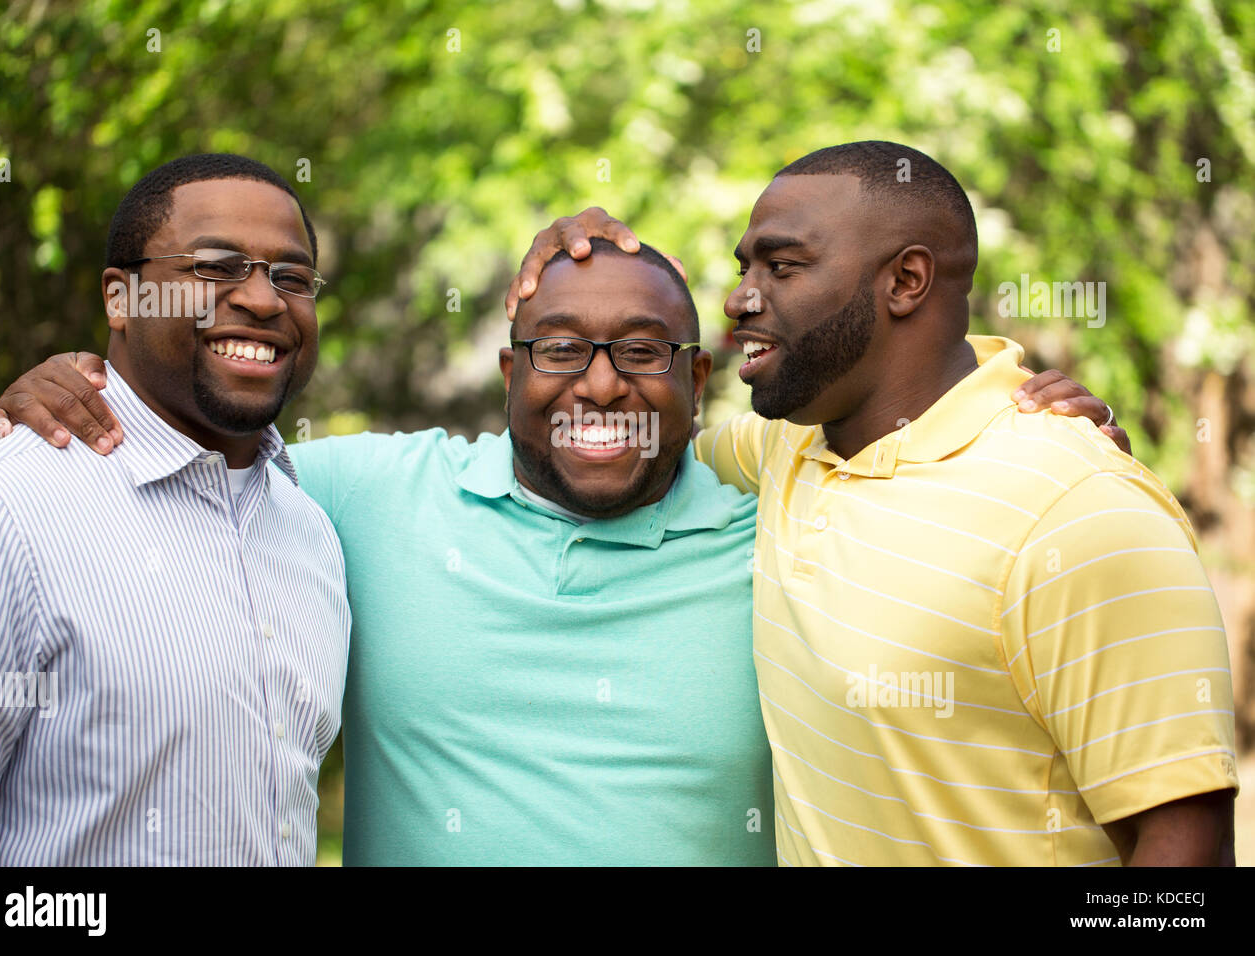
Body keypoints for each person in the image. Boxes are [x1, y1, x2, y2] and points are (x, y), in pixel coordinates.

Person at [0, 209, 1118, 867]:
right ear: (508, 373)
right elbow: (193, 461)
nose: (601, 382)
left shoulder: (785, 519)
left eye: (640, 350)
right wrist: (81, 384)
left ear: (697, 379)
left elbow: (918, 457)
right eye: (561, 348)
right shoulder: (362, 497)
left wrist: (1020, 416)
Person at [505, 141, 1238, 866]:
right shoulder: (783, 452)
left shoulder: (1079, 509)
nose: (737, 299)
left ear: (907, 280)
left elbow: (1184, 861)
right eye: (744, 269)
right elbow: (620, 439)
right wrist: (578, 252)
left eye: (782, 266)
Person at [0, 154, 350, 865]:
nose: (263, 300)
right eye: (214, 267)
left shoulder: (311, 532)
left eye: (291, 277)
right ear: (120, 298)